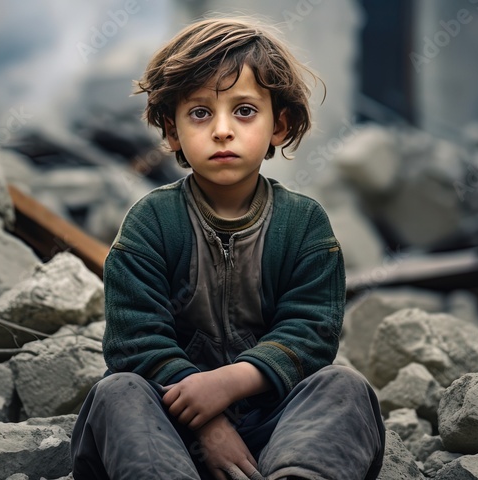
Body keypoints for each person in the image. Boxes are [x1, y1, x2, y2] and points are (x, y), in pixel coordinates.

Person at [70, 17, 385, 480]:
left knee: (344, 387)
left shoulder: (303, 224)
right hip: (170, 431)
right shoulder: (151, 222)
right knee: (118, 392)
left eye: (244, 111)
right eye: (200, 113)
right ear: (172, 132)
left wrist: (229, 383)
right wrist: (208, 423)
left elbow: (311, 334)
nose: (222, 130)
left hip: (274, 428)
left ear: (278, 125)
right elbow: (134, 342)